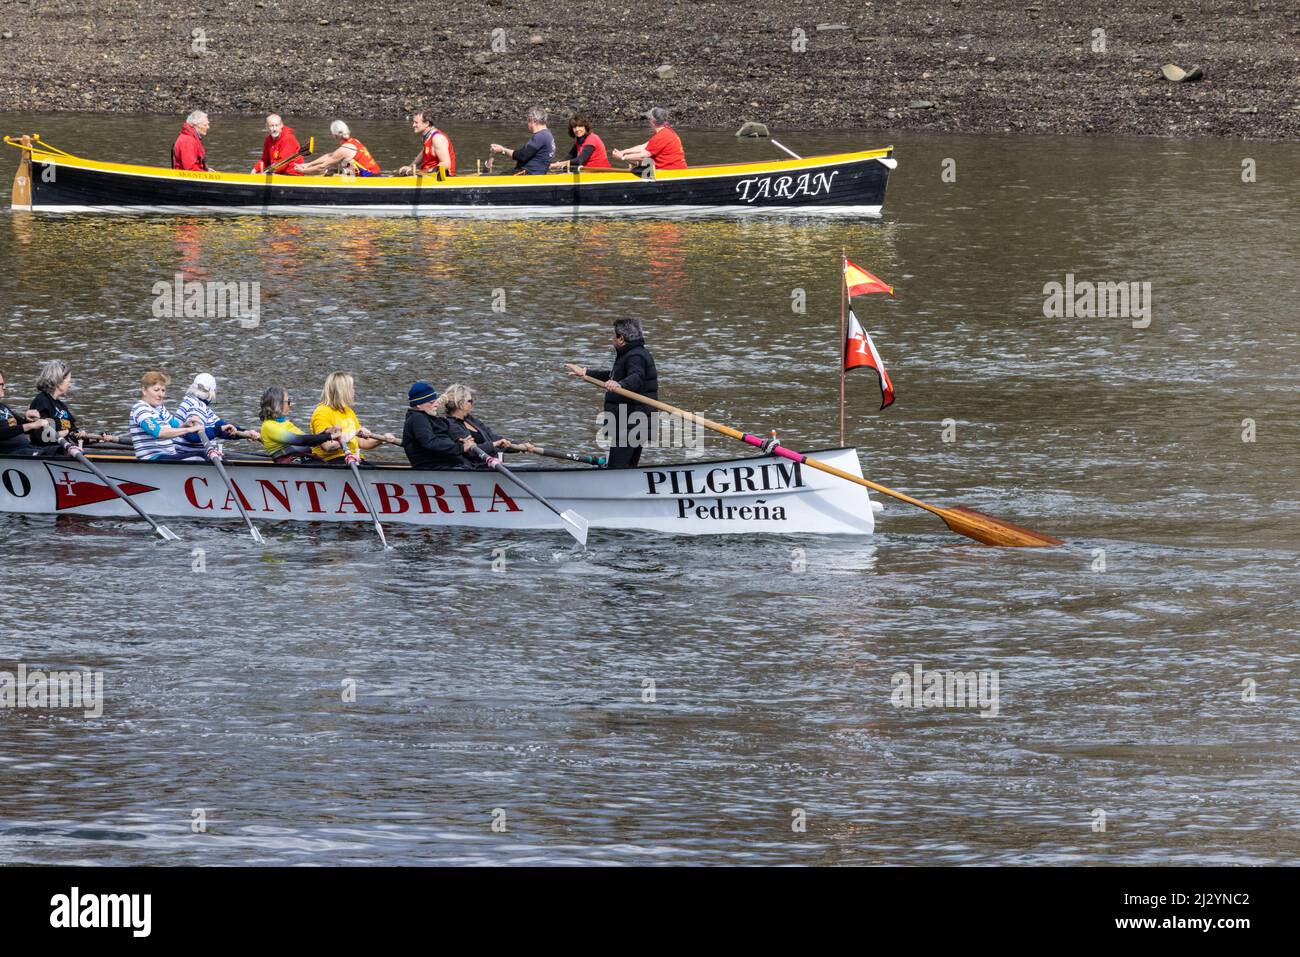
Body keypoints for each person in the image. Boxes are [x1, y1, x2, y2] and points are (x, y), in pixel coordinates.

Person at [565, 318, 659, 469]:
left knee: (617, 468)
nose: (611, 339)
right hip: (634, 421)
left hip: (631, 423)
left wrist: (620, 384)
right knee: (627, 468)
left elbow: (637, 377)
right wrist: (586, 372)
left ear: (621, 338)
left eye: (613, 336)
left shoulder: (635, 356)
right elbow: (613, 376)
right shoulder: (632, 353)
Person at [423, 384, 533, 469]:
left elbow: (492, 437)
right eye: (470, 401)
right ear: (461, 404)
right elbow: (471, 451)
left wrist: (519, 446)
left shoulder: (470, 420)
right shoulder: (449, 425)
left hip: (488, 466)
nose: (472, 404)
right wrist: (494, 445)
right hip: (472, 468)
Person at [28, 359, 118, 451]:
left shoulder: (61, 406)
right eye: (69, 381)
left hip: (65, 449)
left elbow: (73, 434)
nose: (70, 385)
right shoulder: (42, 401)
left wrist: (99, 438)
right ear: (58, 381)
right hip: (46, 452)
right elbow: (41, 437)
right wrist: (65, 433)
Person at [308, 371, 396, 463]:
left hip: (353, 459)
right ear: (342, 391)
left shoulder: (348, 411)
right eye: (352, 388)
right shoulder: (322, 412)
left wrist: (382, 440)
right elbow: (328, 446)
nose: (354, 391)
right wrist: (354, 432)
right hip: (332, 460)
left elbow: (361, 442)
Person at [173, 373, 260, 457]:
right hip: (190, 455)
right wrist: (219, 430)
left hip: (198, 453)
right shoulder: (197, 407)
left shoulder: (191, 401)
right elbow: (192, 436)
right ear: (212, 392)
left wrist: (247, 433)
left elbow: (224, 427)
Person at [129, 371, 207, 461]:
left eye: (163, 390)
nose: (161, 394)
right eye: (156, 390)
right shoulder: (140, 409)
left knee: (205, 454)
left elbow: (176, 426)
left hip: (168, 456)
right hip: (153, 459)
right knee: (200, 456)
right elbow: (158, 433)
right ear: (144, 390)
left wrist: (187, 424)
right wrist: (189, 430)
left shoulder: (160, 408)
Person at [258, 386, 344, 464]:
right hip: (292, 464)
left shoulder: (285, 423)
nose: (290, 405)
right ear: (277, 404)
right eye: (288, 402)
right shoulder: (268, 426)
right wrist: (329, 436)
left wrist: (326, 432)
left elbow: (309, 441)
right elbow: (300, 441)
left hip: (304, 459)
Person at [612, 107, 687, 171]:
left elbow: (643, 155)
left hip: (671, 172)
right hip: (671, 170)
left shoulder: (662, 136)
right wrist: (623, 152)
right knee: (635, 160)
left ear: (653, 121)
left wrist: (623, 157)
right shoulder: (665, 131)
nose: (648, 121)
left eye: (649, 119)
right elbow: (643, 147)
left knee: (639, 160)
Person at [297, 121, 381, 177]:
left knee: (328, 170)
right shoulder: (355, 141)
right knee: (333, 170)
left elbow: (321, 167)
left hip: (370, 179)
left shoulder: (344, 150)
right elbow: (330, 156)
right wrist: (308, 164)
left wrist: (303, 171)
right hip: (376, 174)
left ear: (334, 136)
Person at [489, 108, 555, 175]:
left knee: (487, 177)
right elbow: (522, 154)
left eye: (528, 121)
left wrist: (503, 150)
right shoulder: (548, 135)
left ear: (533, 121)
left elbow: (521, 156)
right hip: (535, 173)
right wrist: (502, 149)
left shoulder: (541, 136)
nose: (527, 124)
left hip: (529, 174)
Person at [0, 369, 49, 454]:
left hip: (25, 448)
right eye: (1, 384)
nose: (4, 387)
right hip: (10, 453)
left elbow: (25, 429)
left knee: (60, 450)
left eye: (4, 384)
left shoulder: (4, 407)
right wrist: (31, 425)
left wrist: (30, 419)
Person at [397, 110, 455, 177]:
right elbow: (424, 152)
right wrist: (410, 167)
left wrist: (427, 172)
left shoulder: (437, 138)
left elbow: (446, 163)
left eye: (416, 122)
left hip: (441, 178)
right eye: (413, 122)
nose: (413, 125)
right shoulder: (426, 136)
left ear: (427, 123)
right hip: (426, 175)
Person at [400, 380, 442, 468]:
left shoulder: (428, 418)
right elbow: (430, 443)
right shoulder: (418, 418)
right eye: (431, 402)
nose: (436, 405)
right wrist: (460, 448)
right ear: (418, 405)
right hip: (432, 468)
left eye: (435, 401)